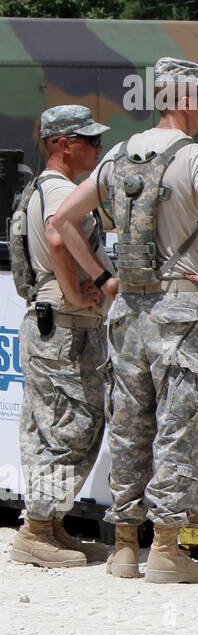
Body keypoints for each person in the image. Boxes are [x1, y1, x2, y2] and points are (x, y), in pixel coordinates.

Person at [51, 57, 198, 584]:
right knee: (176, 427)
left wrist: (103, 278)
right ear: (179, 99)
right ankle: (168, 550)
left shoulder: (116, 153)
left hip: (128, 310)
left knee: (128, 427)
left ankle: (125, 549)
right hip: (179, 309)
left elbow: (64, 221)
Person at [8, 106, 111, 569]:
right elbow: (56, 235)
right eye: (89, 140)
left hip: (50, 322)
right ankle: (36, 528)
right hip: (65, 327)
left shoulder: (40, 188)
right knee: (75, 429)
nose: (98, 147)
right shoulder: (60, 191)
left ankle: (49, 527)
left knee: (48, 429)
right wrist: (79, 287)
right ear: (61, 144)